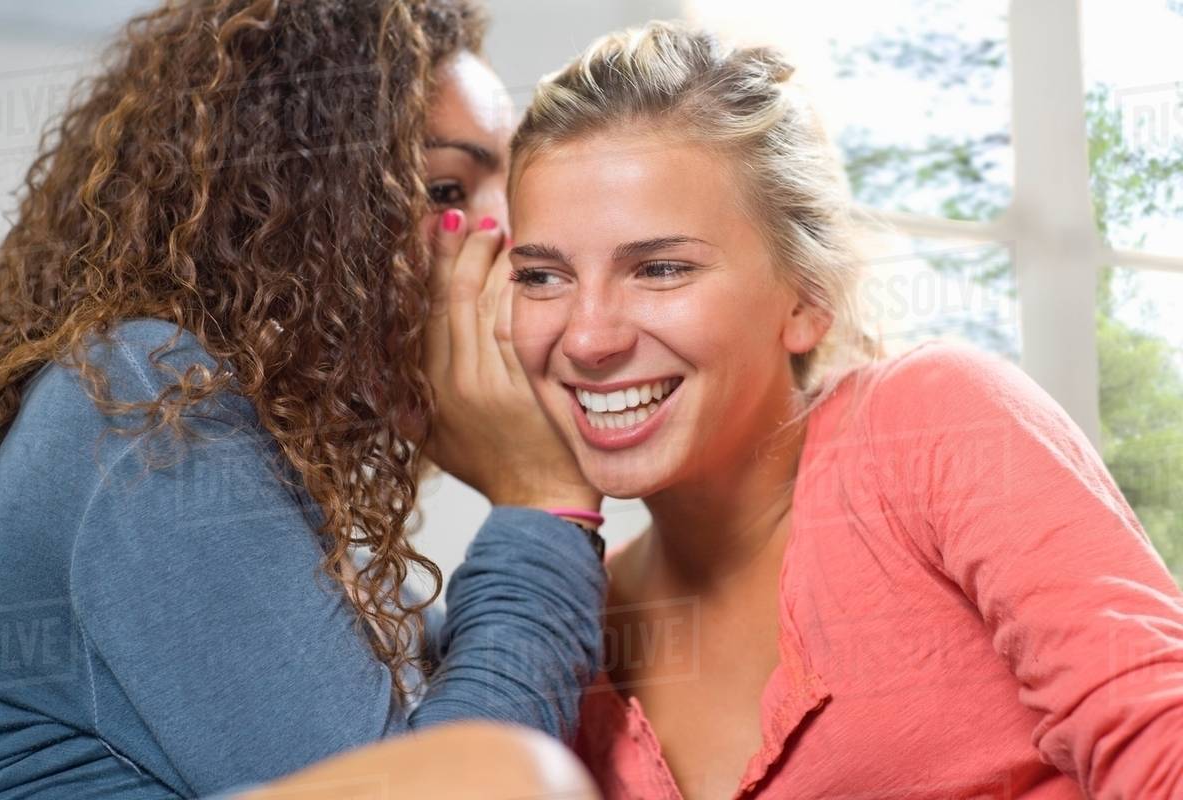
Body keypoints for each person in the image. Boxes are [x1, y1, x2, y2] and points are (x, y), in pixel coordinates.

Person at [505, 21, 1183, 800]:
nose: (588, 337)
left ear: (809, 299)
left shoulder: (932, 425)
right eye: (543, 278)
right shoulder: (566, 627)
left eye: (659, 268)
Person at [0, 1, 606, 798]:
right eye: (447, 187)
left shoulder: (267, 466)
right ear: (298, 200)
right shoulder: (146, 397)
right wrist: (545, 503)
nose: (509, 239)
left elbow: (436, 715)